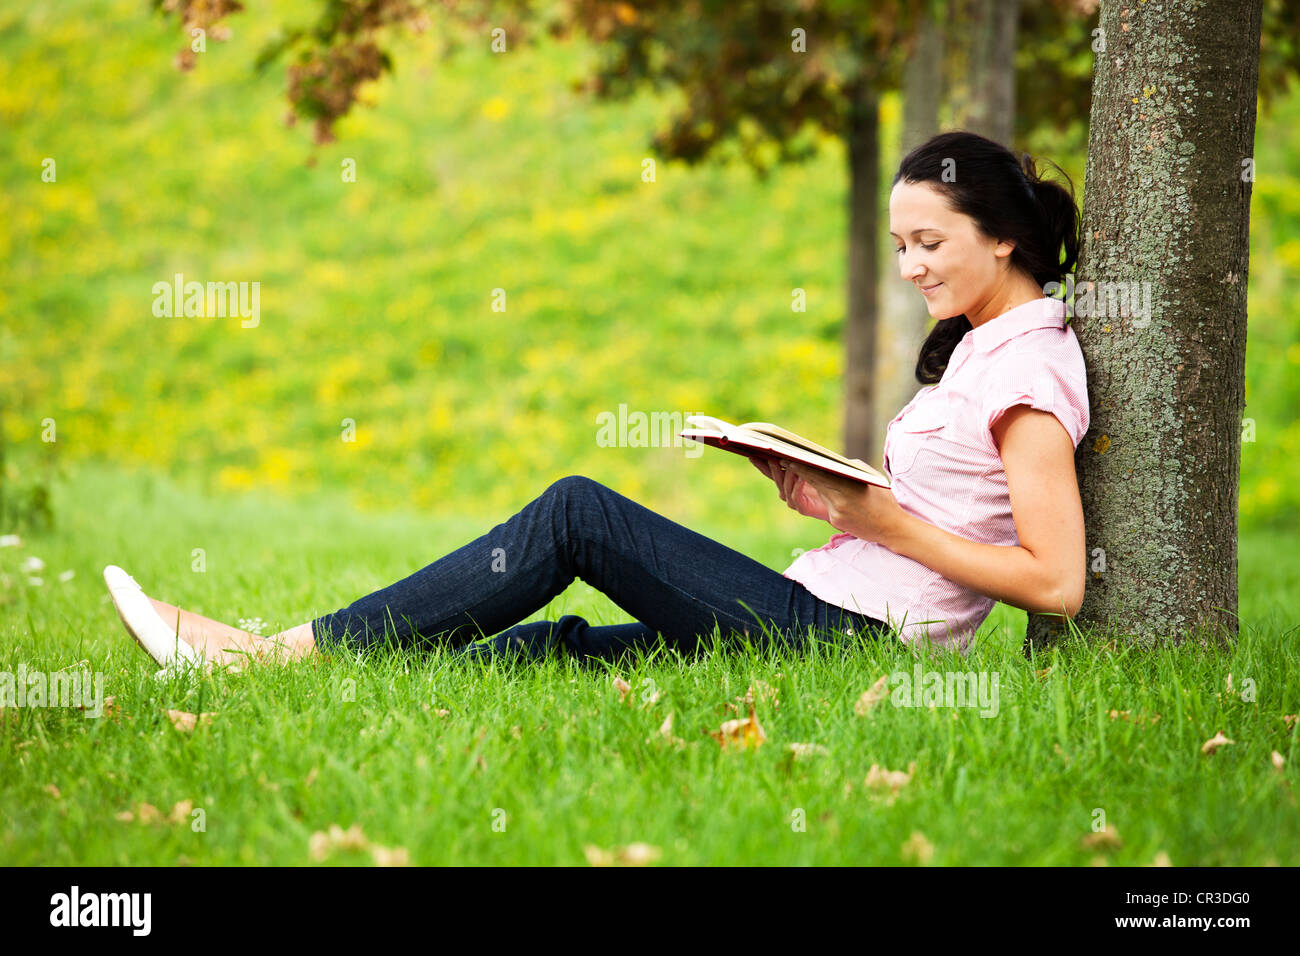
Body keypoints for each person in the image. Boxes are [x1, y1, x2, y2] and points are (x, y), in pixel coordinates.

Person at [104, 130, 1088, 674]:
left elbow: (1054, 583)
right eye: (901, 243)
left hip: (856, 645)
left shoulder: (1025, 373)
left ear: (1000, 238)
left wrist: (883, 520)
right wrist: (829, 498)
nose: (910, 265)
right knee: (551, 650)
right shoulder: (979, 351)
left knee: (579, 511)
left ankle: (268, 655)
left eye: (929, 242)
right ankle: (280, 666)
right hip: (827, 610)